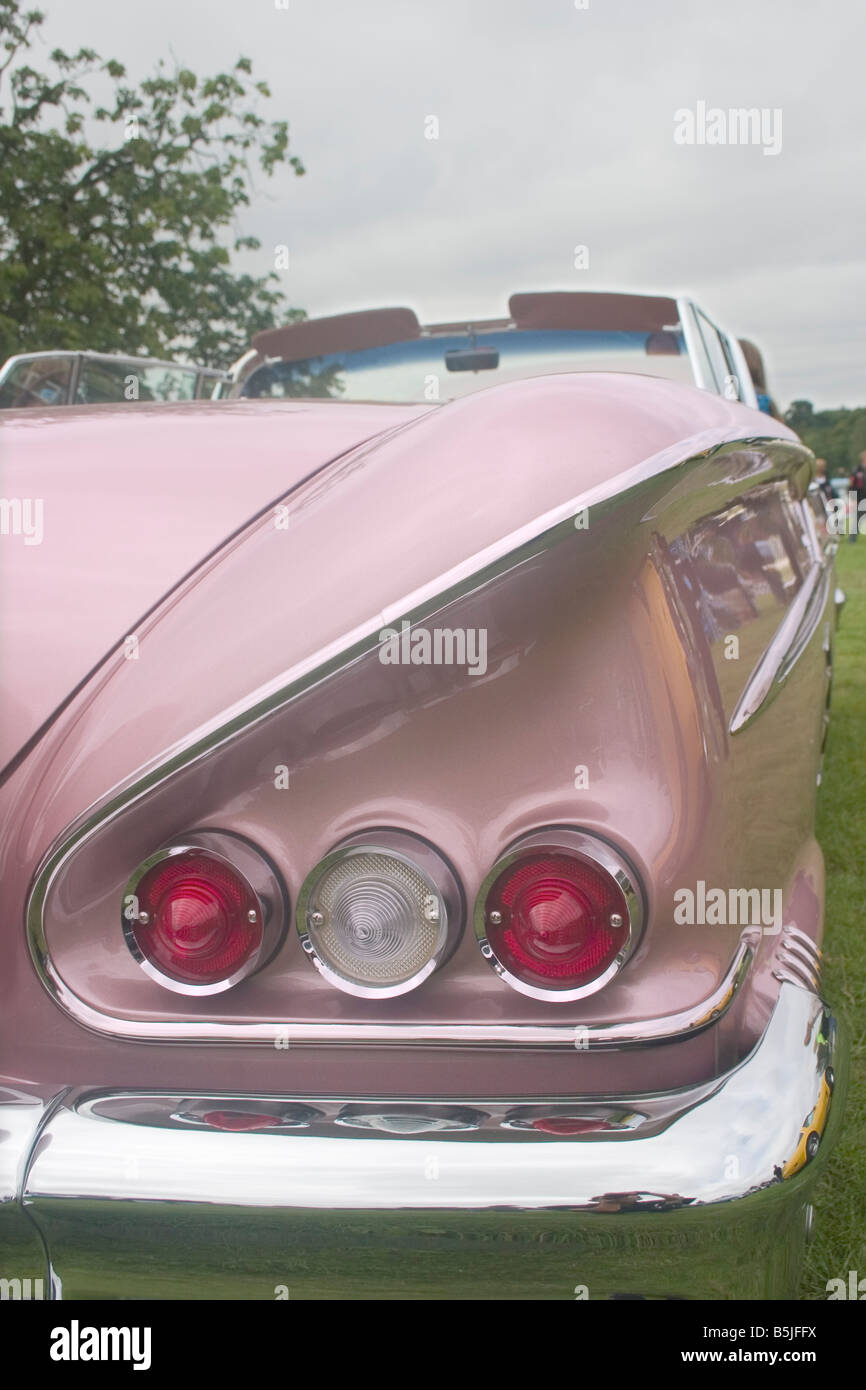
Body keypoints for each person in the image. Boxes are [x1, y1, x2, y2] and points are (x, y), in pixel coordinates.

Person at [849, 451, 866, 542]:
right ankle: (852, 540)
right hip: (860, 499)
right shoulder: (856, 471)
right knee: (857, 520)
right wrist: (853, 499)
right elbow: (851, 486)